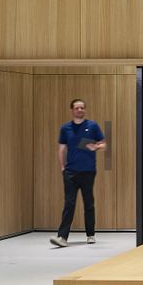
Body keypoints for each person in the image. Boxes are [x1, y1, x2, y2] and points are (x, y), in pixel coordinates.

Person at [50, 98, 107, 248]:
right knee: (69, 203)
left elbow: (104, 143)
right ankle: (62, 237)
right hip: (70, 172)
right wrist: (63, 167)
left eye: (82, 108)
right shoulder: (65, 128)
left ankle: (90, 234)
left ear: (85, 110)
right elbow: (61, 148)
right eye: (77, 108)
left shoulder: (92, 126)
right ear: (72, 110)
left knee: (88, 203)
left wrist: (96, 147)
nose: (80, 110)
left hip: (88, 171)